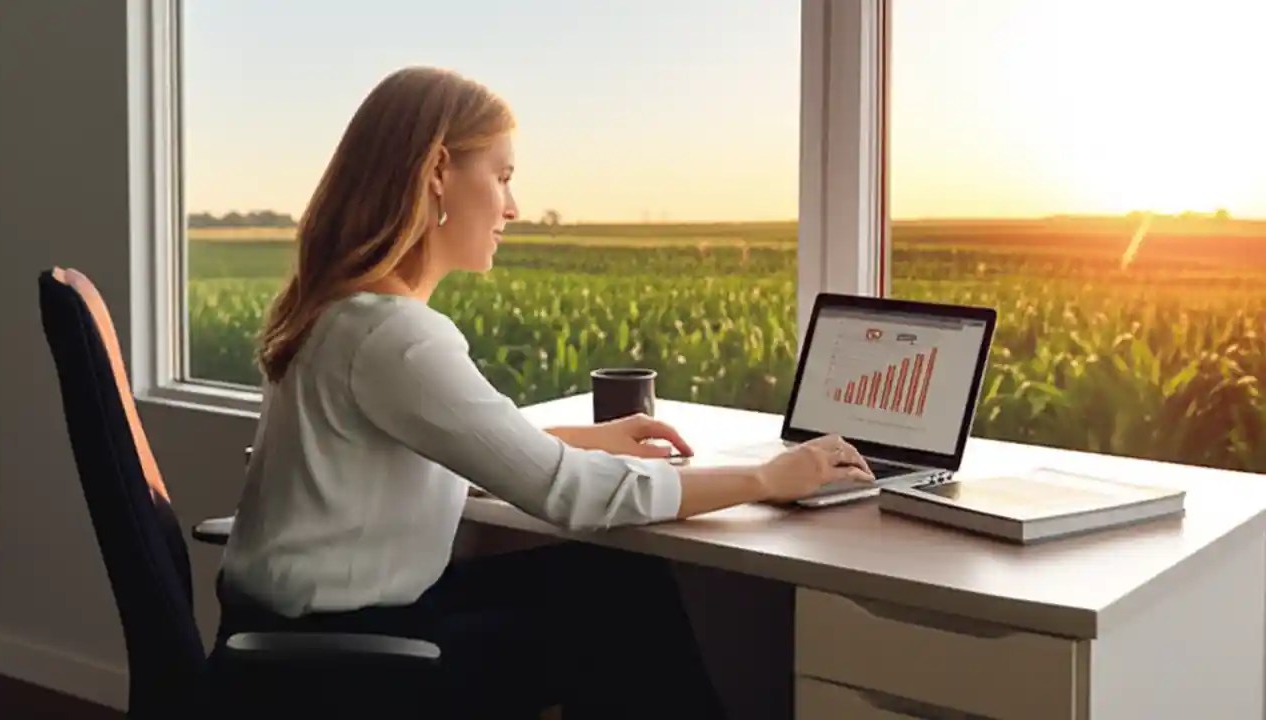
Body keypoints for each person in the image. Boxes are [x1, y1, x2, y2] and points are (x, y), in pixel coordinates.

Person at [215, 66, 875, 718]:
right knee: (623, 616)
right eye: (501, 176)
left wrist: (584, 439)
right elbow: (571, 494)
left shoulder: (339, 311)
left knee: (613, 583)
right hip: (345, 672)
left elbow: (424, 448)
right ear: (438, 172)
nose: (512, 207)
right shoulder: (394, 337)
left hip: (293, 644)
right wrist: (766, 477)